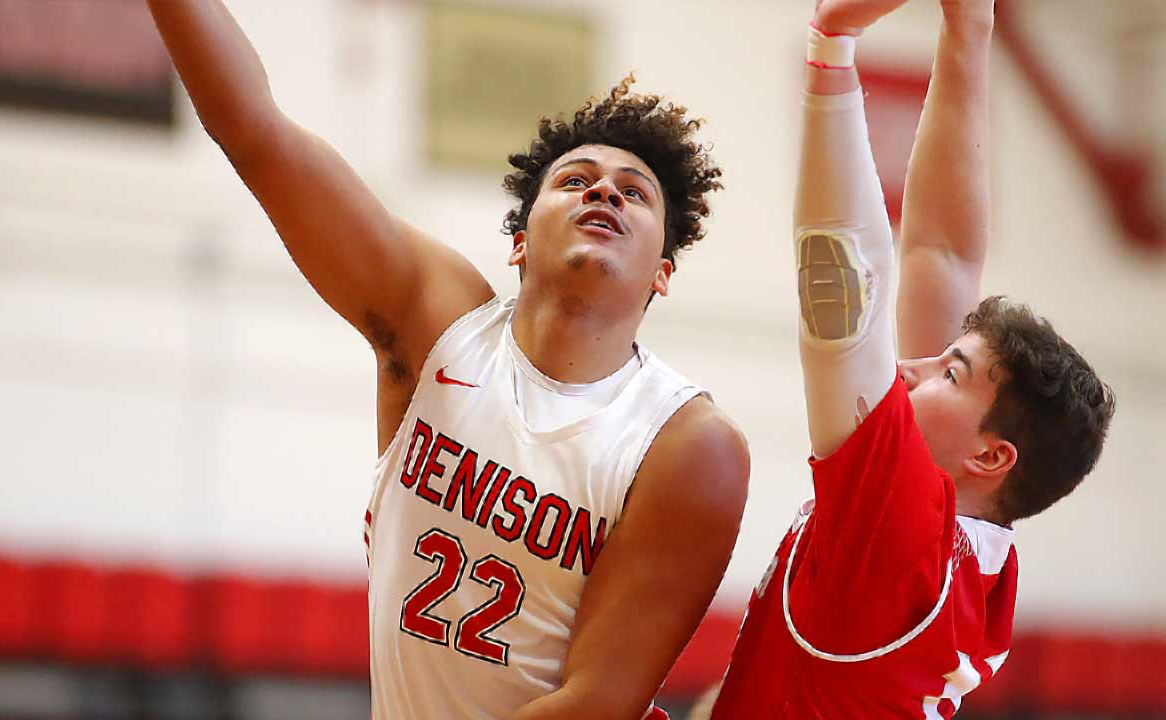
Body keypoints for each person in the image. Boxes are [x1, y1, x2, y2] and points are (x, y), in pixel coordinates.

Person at [144, 2, 750, 718]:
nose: (605, 190)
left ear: (663, 272)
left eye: (636, 192)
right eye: (575, 178)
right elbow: (255, 131)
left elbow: (596, 702)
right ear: (520, 240)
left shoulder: (688, 445)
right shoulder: (437, 323)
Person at [709, 0, 1115, 716]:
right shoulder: (976, 552)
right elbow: (941, 253)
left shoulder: (901, 533)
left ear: (991, 457)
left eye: (948, 372)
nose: (911, 367)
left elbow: (841, 292)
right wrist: (969, 28)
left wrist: (830, 50)